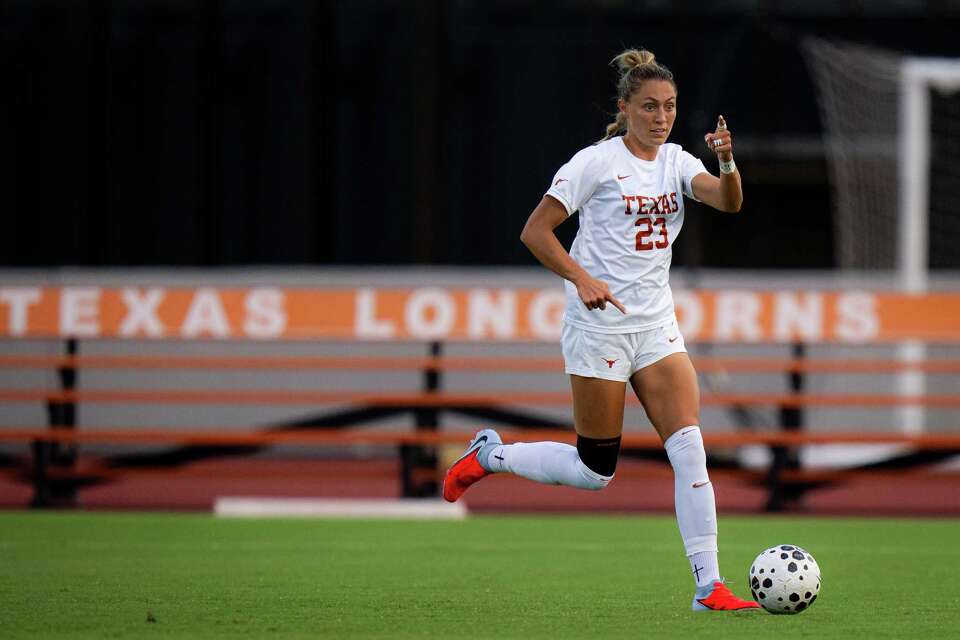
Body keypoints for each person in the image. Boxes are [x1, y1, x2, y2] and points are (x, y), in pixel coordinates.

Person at [442, 48, 759, 612]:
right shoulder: (595, 161)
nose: (661, 117)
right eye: (649, 107)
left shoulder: (679, 161)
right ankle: (491, 455)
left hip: (657, 327)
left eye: (669, 106)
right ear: (625, 109)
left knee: (690, 451)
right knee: (595, 472)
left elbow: (727, 203)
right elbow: (536, 232)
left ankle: (709, 586)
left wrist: (728, 163)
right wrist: (580, 277)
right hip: (600, 327)